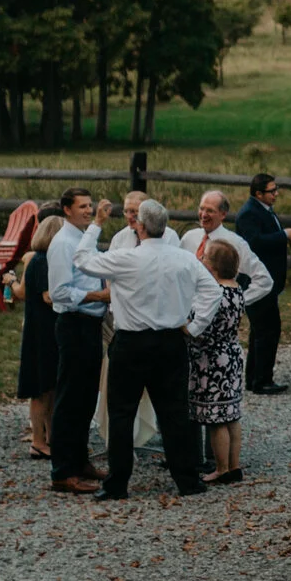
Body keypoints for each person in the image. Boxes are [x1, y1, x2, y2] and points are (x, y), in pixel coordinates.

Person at [72, 198, 221, 501]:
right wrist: (194, 327)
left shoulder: (126, 258)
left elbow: (82, 258)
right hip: (170, 342)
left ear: (139, 226)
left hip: (131, 343)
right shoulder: (184, 259)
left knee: (122, 414)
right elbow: (213, 291)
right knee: (175, 412)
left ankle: (117, 484)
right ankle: (187, 480)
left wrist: (97, 223)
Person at [45, 187, 110, 494]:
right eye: (82, 206)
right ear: (66, 210)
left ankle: (80, 459)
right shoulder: (62, 244)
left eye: (90, 205)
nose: (88, 210)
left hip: (92, 323)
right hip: (74, 324)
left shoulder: (86, 239)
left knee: (86, 398)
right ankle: (62, 471)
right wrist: (98, 295)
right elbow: (59, 293)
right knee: (69, 398)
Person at [190, 239, 250, 484]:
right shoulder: (236, 289)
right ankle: (234, 465)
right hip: (232, 353)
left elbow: (200, 328)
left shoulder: (215, 293)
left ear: (212, 266)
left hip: (213, 359)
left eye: (204, 258)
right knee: (231, 414)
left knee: (216, 419)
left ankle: (222, 468)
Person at [15, 213, 67, 461]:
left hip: (47, 330)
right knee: (40, 388)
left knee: (51, 386)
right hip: (42, 331)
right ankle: (38, 440)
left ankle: (53, 437)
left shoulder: (40, 260)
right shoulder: (43, 261)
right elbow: (48, 296)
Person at [234, 174, 291, 394]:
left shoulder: (263, 209)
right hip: (257, 282)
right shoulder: (249, 213)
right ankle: (261, 380)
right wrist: (283, 236)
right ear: (258, 193)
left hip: (269, 282)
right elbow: (254, 242)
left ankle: (256, 377)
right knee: (266, 330)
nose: (276, 194)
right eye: (272, 190)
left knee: (263, 330)